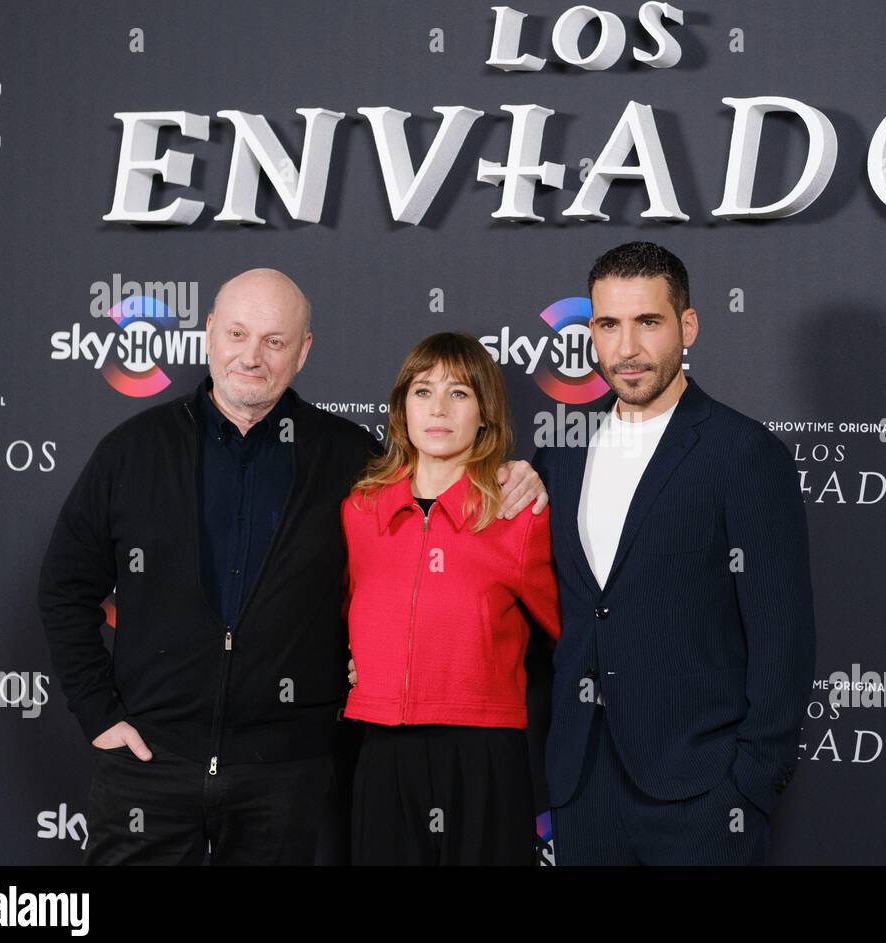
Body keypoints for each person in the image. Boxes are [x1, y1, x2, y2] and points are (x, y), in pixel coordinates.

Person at [37, 268, 546, 865]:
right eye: (237, 335)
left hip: (286, 777)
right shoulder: (133, 450)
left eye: (275, 341)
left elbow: (441, 489)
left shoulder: (351, 461)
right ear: (208, 335)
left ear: (303, 351)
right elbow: (65, 587)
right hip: (150, 765)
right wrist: (99, 713)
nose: (252, 356)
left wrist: (514, 474)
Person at [531, 241, 817, 865]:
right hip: (583, 785)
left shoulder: (742, 453)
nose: (627, 348)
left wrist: (748, 788)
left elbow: (782, 635)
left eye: (648, 322)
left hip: (703, 791)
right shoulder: (560, 456)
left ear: (687, 326)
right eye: (608, 325)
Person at [342, 332, 559, 865]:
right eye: (423, 391)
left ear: (485, 412)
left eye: (459, 393)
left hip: (484, 753)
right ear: (402, 409)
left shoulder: (518, 514)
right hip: (382, 748)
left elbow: (574, 635)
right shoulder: (361, 511)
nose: (438, 408)